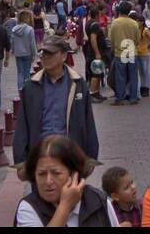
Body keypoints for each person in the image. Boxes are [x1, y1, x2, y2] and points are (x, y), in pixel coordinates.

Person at [13, 35, 100, 169]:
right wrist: (20, 162)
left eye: (51, 53)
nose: (45, 57)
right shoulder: (31, 87)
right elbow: (22, 126)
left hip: (69, 155)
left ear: (64, 56)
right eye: (43, 53)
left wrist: (91, 158)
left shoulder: (78, 84)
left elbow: (88, 122)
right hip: (40, 156)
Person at [14, 135, 118, 227]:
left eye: (56, 173)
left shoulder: (99, 201)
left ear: (73, 174)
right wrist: (65, 206)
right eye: (42, 174)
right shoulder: (28, 208)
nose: (48, 181)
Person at [108, 1, 142, 106]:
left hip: (120, 52)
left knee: (120, 76)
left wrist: (114, 47)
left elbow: (111, 38)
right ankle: (133, 97)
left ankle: (120, 98)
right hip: (132, 51)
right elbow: (137, 39)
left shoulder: (115, 22)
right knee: (133, 76)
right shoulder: (134, 23)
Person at [82, 8, 108, 102]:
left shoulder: (89, 22)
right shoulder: (95, 25)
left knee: (98, 72)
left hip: (91, 51)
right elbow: (93, 39)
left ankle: (96, 92)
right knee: (96, 73)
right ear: (97, 15)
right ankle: (92, 93)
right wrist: (97, 53)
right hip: (94, 53)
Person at [11, 9, 37, 94]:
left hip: (18, 53)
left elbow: (12, 41)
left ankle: (20, 90)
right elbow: (32, 43)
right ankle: (27, 91)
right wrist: (34, 54)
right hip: (28, 53)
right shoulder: (30, 29)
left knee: (20, 72)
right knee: (27, 73)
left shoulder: (14, 29)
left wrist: (13, 50)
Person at [134, 12, 150, 98]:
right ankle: (141, 88)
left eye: (138, 21)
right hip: (137, 53)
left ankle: (146, 88)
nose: (136, 22)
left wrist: (147, 47)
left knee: (145, 71)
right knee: (140, 71)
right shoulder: (136, 29)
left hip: (144, 54)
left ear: (142, 22)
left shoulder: (146, 30)